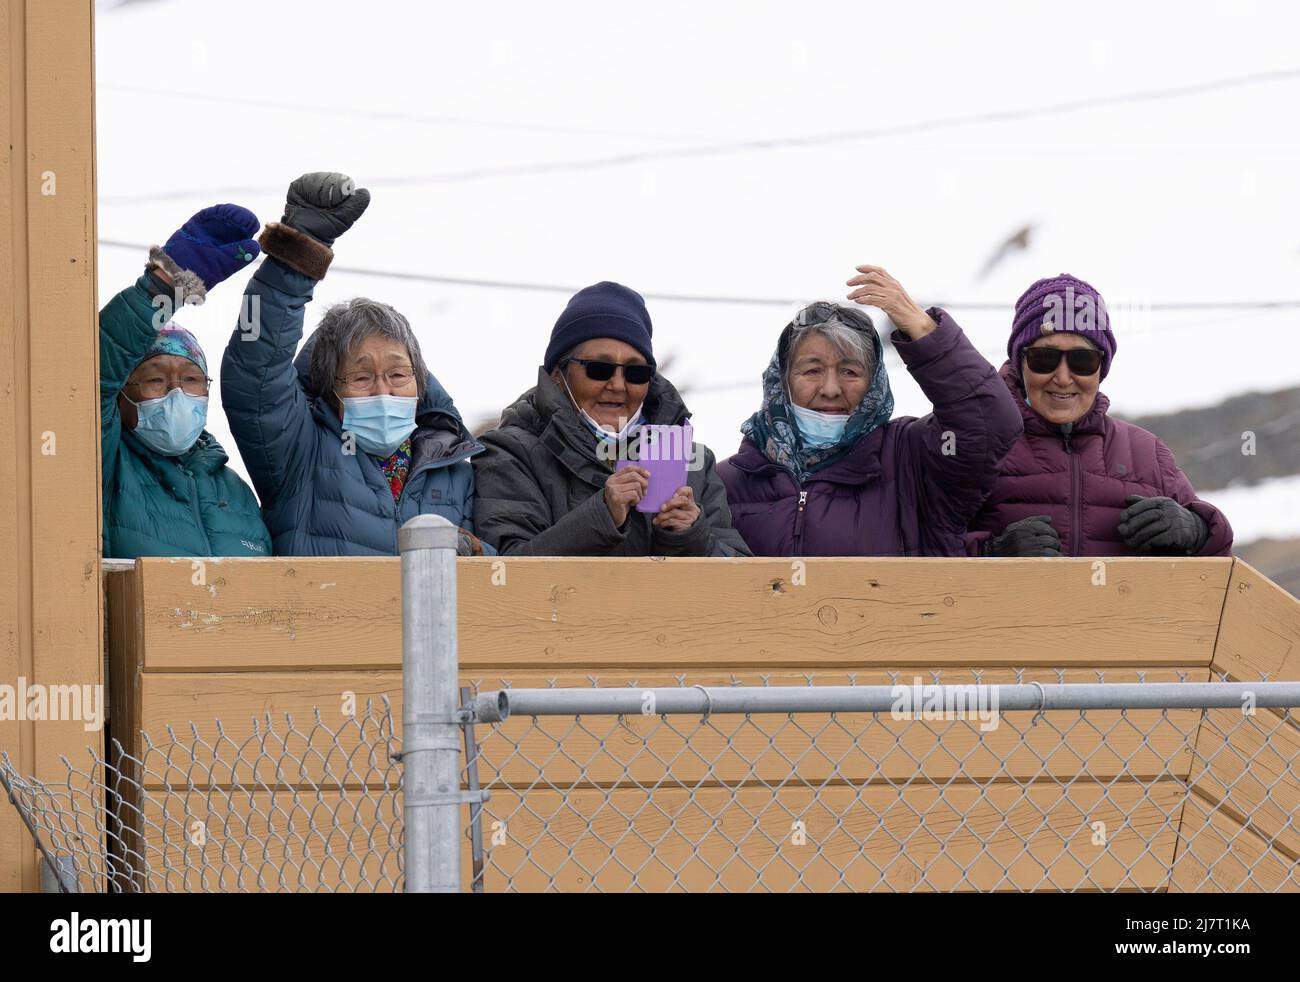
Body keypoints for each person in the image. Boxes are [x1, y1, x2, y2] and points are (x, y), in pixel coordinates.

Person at [221, 172, 487, 556]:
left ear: (420, 382)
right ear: (330, 389)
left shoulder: (455, 464)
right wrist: (300, 249)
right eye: (361, 377)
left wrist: (477, 555)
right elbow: (255, 368)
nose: (384, 390)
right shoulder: (299, 449)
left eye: (398, 374)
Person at [717, 264, 1022, 556]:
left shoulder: (914, 462)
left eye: (850, 372)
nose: (831, 388)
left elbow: (989, 421)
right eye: (812, 371)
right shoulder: (728, 482)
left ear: (874, 383)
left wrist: (922, 328)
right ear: (782, 381)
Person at [473, 281, 751, 556]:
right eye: (599, 368)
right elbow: (506, 573)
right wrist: (600, 515)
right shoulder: (509, 454)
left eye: (636, 372)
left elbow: (744, 580)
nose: (618, 385)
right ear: (558, 375)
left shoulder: (694, 463)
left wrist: (691, 536)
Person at [966, 274, 1232, 557]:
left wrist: (1196, 532)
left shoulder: (1148, 453)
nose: (1063, 378)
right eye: (1044, 358)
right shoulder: (976, 445)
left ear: (1101, 368)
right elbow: (921, 547)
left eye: (1083, 361)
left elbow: (1219, 573)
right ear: (1020, 364)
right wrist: (990, 552)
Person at [100, 205, 271, 559]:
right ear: (122, 394)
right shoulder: (106, 464)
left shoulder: (235, 491)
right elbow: (98, 373)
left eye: (192, 379)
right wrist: (162, 287)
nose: (176, 392)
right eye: (156, 378)